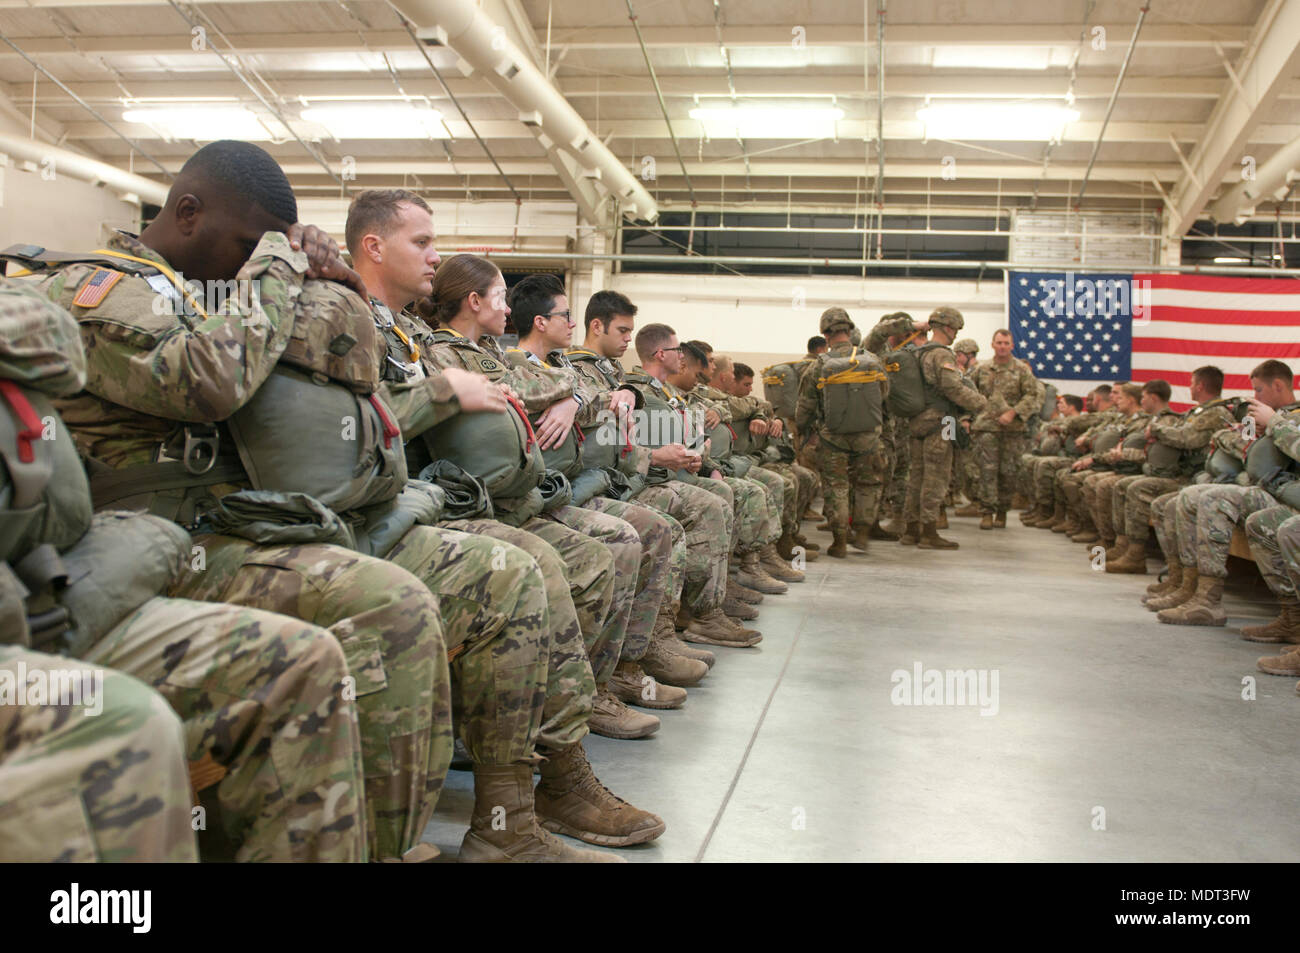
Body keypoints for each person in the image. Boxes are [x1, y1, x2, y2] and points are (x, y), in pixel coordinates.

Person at [0, 273, 366, 862]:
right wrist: (272, 264)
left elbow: (54, 342)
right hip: (154, 539)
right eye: (420, 241)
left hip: (54, 565)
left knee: (304, 657)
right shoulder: (114, 287)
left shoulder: (183, 299)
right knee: (123, 726)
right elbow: (212, 379)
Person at [346, 200, 666, 853]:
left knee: (585, 553)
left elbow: (514, 378)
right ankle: (525, 799)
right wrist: (441, 394)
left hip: (432, 504)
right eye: (423, 240)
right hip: (395, 511)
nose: (435, 254)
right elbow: (344, 426)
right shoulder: (351, 321)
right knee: (531, 569)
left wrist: (577, 395)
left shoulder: (404, 330)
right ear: (375, 246)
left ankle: (544, 777)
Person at [566, 291, 746, 642]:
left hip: (626, 477)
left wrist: (695, 456)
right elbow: (599, 442)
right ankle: (658, 636)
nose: (627, 339)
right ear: (597, 325)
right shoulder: (576, 371)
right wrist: (655, 458)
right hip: (610, 482)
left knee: (714, 499)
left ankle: (701, 609)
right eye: (622, 330)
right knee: (670, 526)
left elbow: (628, 435)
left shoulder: (613, 374)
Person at [1145, 361, 1297, 624]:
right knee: (1190, 496)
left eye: (1259, 391)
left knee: (1213, 499)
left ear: (1279, 385)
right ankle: (1193, 588)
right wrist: (1246, 432)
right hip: (1258, 484)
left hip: (1284, 490)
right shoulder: (1264, 417)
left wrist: (1274, 423)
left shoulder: (1290, 416)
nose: (1255, 398)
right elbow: (1245, 449)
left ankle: (1209, 601)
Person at [1104, 366, 1236, 575]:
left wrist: (1157, 431)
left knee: (1138, 489)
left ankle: (1141, 557)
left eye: (1192, 383)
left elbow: (1187, 439)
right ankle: (1128, 549)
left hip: (1190, 477)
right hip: (1175, 471)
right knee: (1125, 485)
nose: (1190, 387)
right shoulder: (1197, 412)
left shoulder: (1216, 412)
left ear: (1200, 385)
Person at [795, 307, 889, 557]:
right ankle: (864, 533)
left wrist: (805, 430)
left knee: (836, 486)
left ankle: (839, 540)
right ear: (849, 330)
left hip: (832, 437)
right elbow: (884, 394)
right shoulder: (873, 360)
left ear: (825, 335)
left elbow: (805, 406)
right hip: (868, 436)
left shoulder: (819, 365)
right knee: (868, 483)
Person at [901, 307, 989, 549]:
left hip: (917, 421)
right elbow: (952, 388)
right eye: (956, 330)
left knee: (916, 476)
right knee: (936, 476)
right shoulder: (942, 354)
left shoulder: (918, 352)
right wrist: (982, 404)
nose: (955, 335)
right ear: (948, 328)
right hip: (940, 421)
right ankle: (929, 533)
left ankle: (910, 530)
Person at [969, 329, 1045, 529]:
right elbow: (969, 394)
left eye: (1006, 343)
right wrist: (967, 420)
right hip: (986, 428)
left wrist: (1014, 413)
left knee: (1008, 472)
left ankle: (1002, 511)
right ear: (992, 344)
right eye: (999, 342)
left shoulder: (1022, 370)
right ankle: (986, 511)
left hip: (1012, 429)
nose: (1002, 346)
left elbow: (1032, 396)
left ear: (1012, 346)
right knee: (986, 471)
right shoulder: (982, 369)